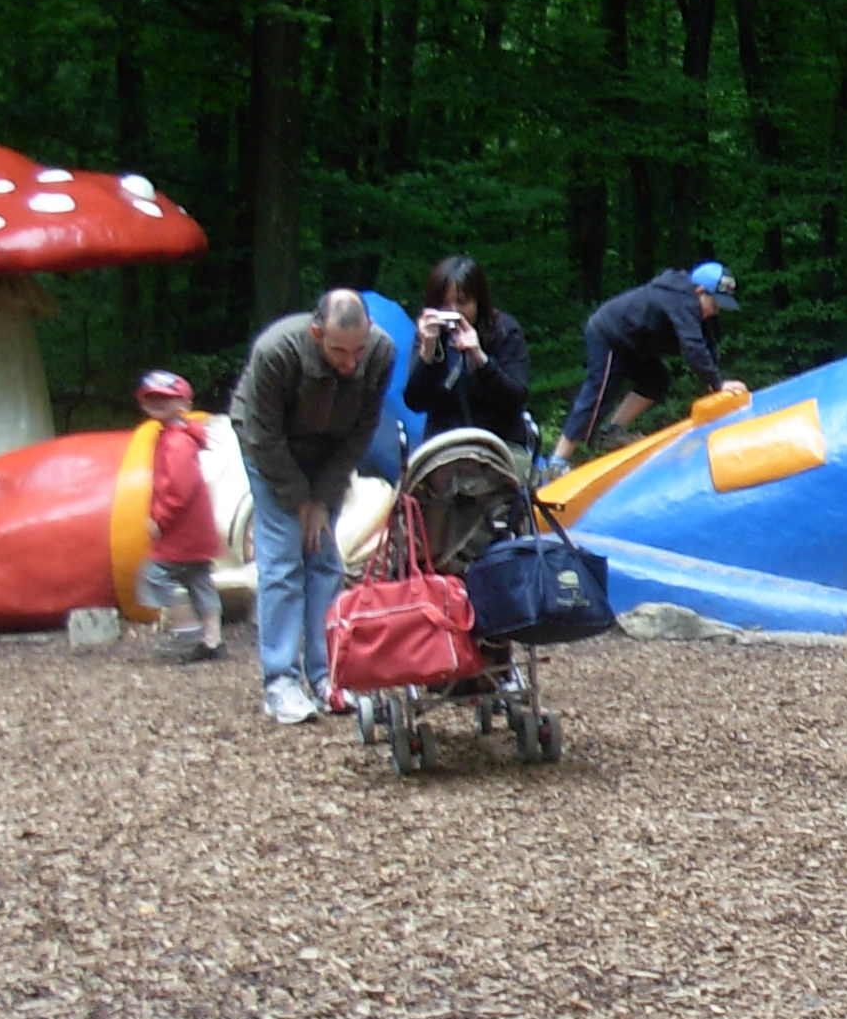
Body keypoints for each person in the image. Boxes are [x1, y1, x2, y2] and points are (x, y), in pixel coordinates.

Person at [231, 289, 395, 725]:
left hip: (329, 452)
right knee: (284, 556)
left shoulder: (379, 353)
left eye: (357, 349)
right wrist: (300, 501)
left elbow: (362, 431)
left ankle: (329, 675)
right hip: (269, 447)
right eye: (340, 351)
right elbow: (263, 436)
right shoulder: (276, 352)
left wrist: (323, 499)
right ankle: (280, 681)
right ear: (317, 333)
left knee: (323, 557)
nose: (350, 362)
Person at [548, 260, 743, 469]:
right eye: (715, 303)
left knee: (656, 381)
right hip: (609, 335)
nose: (716, 311)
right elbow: (692, 346)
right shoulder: (682, 300)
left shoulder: (692, 304)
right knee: (599, 393)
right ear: (700, 290)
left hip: (633, 344)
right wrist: (717, 384)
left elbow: (707, 345)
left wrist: (716, 387)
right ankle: (557, 462)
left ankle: (611, 433)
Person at [133, 369, 224, 660]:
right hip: (196, 528)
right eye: (151, 398)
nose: (156, 403)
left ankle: (187, 630)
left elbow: (179, 487)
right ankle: (212, 640)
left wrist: (159, 518)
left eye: (165, 398)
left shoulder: (176, 441)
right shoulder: (179, 436)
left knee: (155, 576)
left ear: (183, 403)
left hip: (181, 530)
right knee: (199, 580)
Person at [402, 253, 532, 447]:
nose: (454, 312)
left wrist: (481, 360)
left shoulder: (505, 330)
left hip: (499, 443)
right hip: (445, 445)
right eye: (444, 305)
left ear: (478, 302)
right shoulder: (429, 334)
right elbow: (415, 402)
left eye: (462, 303)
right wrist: (427, 353)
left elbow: (516, 399)